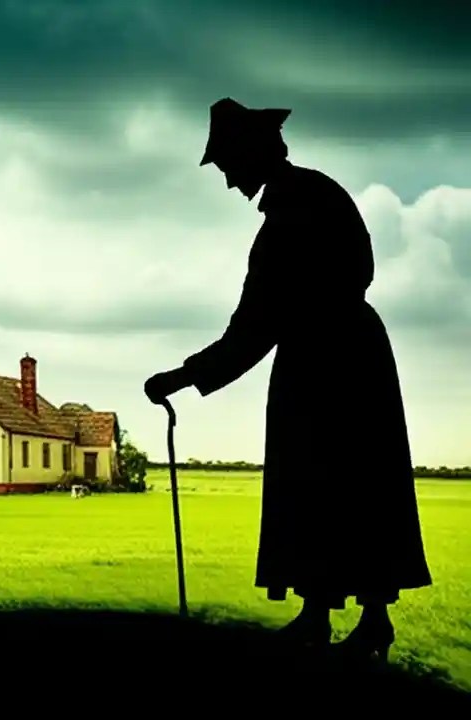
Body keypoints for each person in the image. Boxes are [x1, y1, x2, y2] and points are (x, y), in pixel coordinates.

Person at [143, 97, 432, 662]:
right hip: (345, 356)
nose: (228, 183)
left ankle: (354, 619)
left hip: (327, 365)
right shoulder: (318, 194)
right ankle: (328, 614)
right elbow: (297, 302)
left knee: (335, 484)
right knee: (338, 488)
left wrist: (182, 376)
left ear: (250, 153)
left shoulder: (290, 217)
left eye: (227, 166)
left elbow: (254, 325)